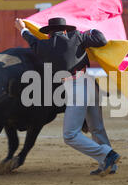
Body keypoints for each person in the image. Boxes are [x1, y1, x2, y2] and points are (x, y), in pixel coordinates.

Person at [14, 17, 121, 175]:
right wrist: (89, 30)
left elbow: (31, 40)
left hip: (76, 87)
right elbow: (101, 39)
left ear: (49, 34)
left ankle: (108, 155)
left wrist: (22, 28)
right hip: (90, 84)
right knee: (96, 127)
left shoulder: (44, 45)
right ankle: (108, 164)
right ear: (65, 30)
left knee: (70, 135)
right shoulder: (77, 36)